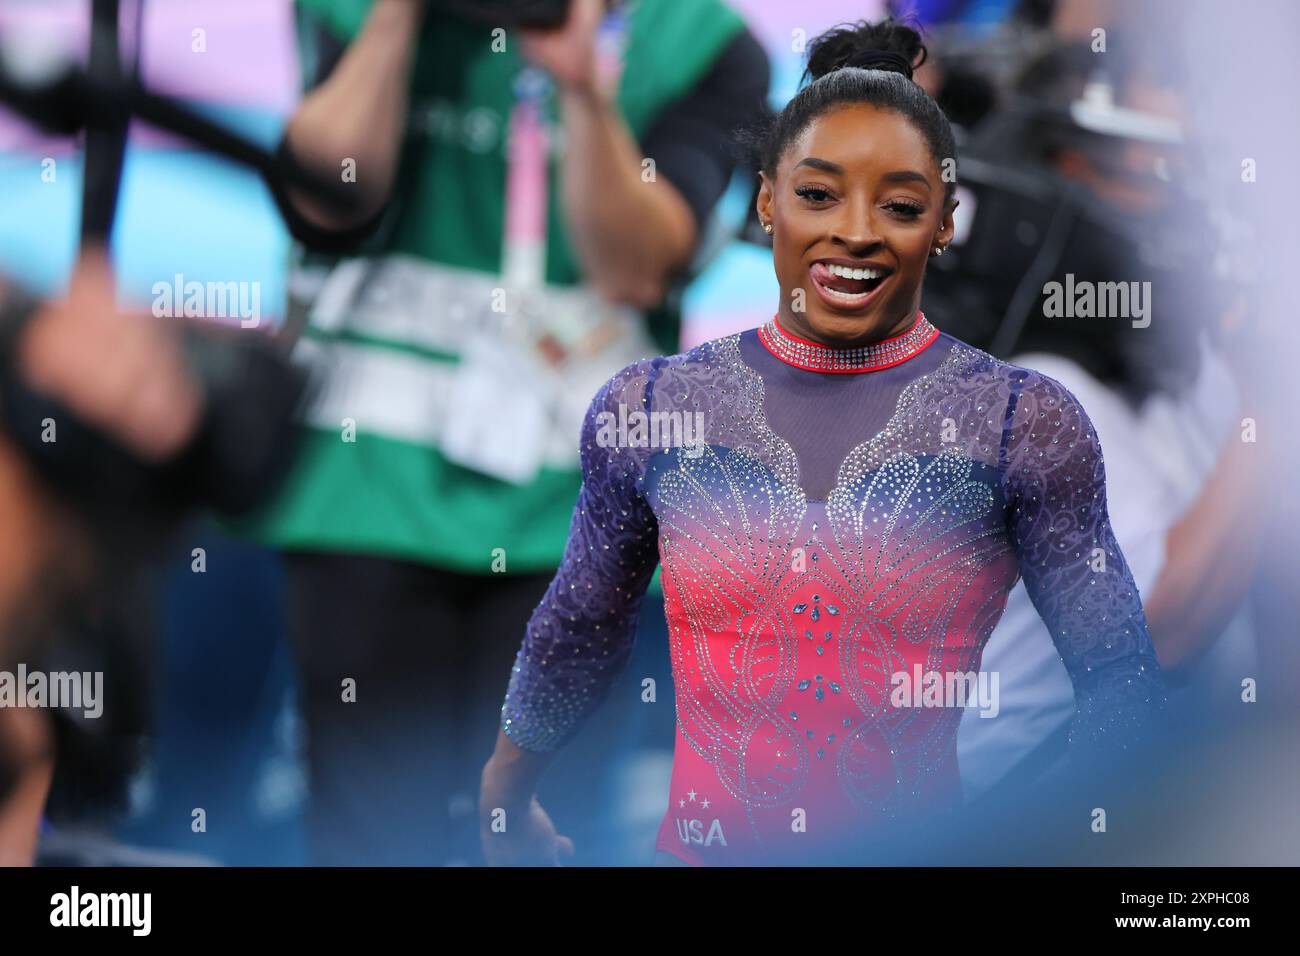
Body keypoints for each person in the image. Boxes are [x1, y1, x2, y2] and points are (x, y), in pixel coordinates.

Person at [480, 18, 1166, 866]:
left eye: (902, 205)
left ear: (946, 221)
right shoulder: (651, 409)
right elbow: (580, 623)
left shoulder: (1023, 425)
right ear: (766, 200)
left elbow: (1125, 691)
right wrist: (508, 790)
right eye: (817, 195)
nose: (856, 231)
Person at [249, 0, 770, 863]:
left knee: (544, 838)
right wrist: (393, 21)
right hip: (366, 491)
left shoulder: (702, 43)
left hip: (578, 524)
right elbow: (327, 201)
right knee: (369, 841)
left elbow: (637, 265)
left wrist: (580, 85)